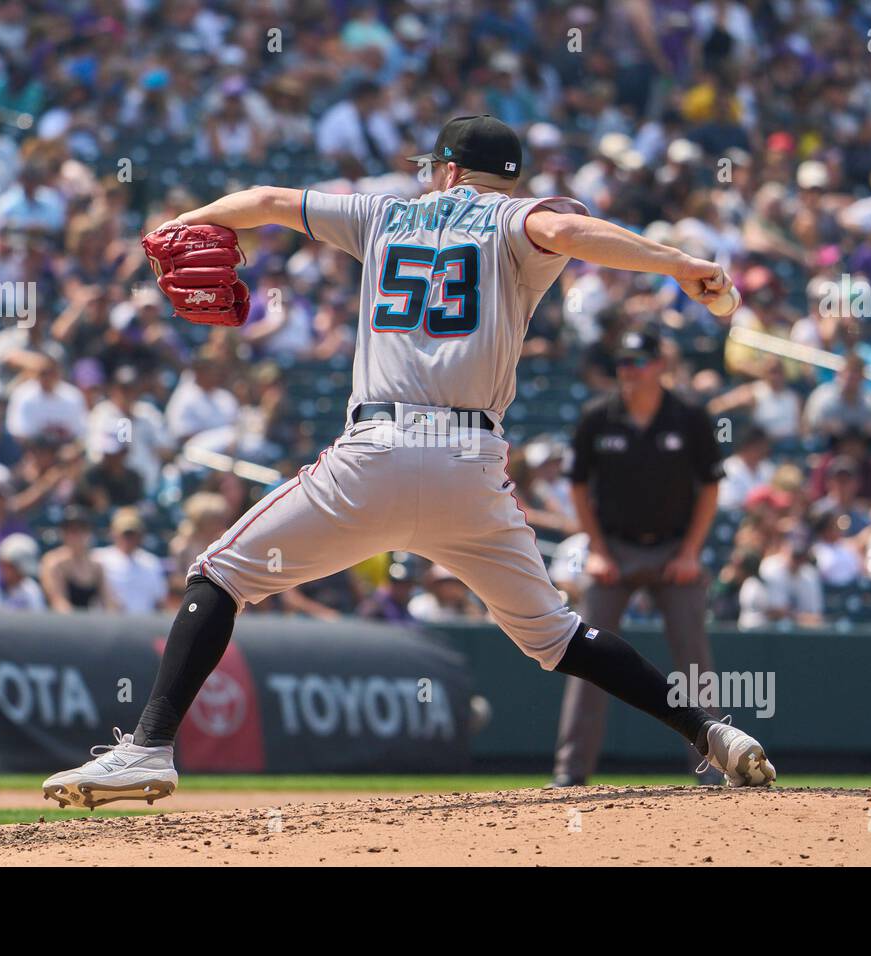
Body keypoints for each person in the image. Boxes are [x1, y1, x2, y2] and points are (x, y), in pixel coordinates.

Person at [44, 114, 774, 809]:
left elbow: (264, 202)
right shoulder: (516, 218)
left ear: (449, 169)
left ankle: (149, 745)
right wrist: (679, 264)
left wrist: (181, 224)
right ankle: (711, 734)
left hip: (378, 453)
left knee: (221, 574)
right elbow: (570, 229)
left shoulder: (383, 215)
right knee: (557, 637)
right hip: (470, 463)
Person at [548, 327, 725, 787]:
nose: (627, 371)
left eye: (637, 362)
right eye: (622, 363)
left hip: (673, 551)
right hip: (615, 550)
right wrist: (598, 551)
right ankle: (570, 774)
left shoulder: (688, 416)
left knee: (695, 665)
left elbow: (710, 485)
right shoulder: (596, 417)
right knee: (585, 653)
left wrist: (690, 551)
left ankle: (714, 771)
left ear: (659, 366)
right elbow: (578, 486)